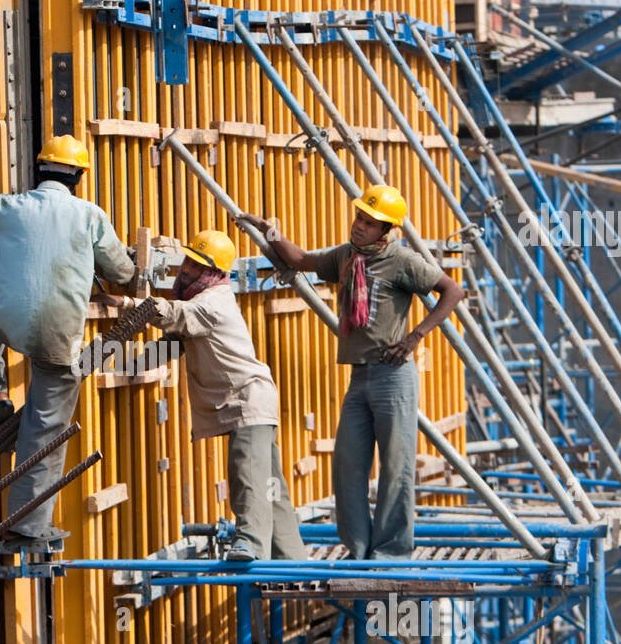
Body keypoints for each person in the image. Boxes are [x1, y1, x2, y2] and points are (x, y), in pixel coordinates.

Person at [240, 184, 465, 559]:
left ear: (386, 230)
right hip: (359, 377)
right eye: (359, 217)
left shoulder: (401, 260)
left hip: (394, 376)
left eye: (369, 222)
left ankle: (391, 554)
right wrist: (269, 232)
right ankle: (358, 550)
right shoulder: (347, 256)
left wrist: (415, 337)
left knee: (396, 468)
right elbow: (302, 260)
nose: (359, 225)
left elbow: (452, 291)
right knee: (347, 466)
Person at [0, 135, 135, 541]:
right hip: (58, 339)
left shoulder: (10, 207)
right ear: (78, 177)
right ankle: (28, 524)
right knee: (46, 427)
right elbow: (122, 272)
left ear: (38, 170)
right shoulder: (90, 216)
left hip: (8, 325)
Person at [107, 230, 307, 562]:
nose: (186, 269)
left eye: (196, 265)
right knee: (270, 487)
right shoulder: (201, 301)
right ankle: (292, 559)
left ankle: (250, 545)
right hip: (250, 400)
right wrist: (129, 367)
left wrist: (132, 305)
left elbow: (178, 316)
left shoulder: (212, 302)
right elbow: (173, 344)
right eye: (187, 261)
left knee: (247, 475)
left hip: (247, 401)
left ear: (213, 272)